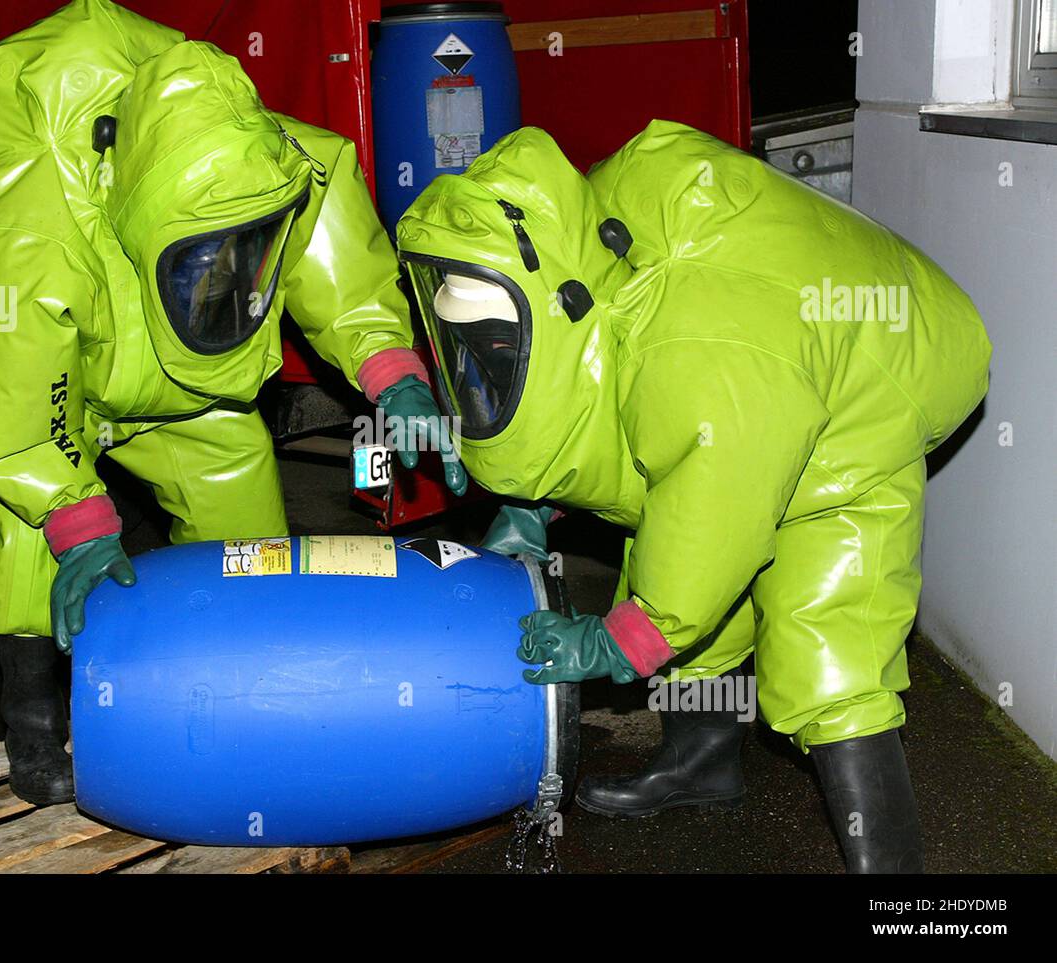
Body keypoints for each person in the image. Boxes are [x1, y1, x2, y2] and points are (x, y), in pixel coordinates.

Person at [0, 0, 464, 805]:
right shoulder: (19, 233)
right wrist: (74, 516)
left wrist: (390, 365)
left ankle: (241, 681)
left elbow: (324, 225)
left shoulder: (256, 157)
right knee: (26, 526)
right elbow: (8, 394)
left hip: (122, 272)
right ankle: (34, 722)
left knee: (237, 489)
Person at [396, 120, 991, 873]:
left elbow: (709, 507)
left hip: (873, 374)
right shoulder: (576, 260)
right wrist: (532, 500)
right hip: (761, 365)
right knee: (677, 550)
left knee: (821, 636)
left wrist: (617, 640)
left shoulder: (706, 365)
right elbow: (596, 408)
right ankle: (702, 767)